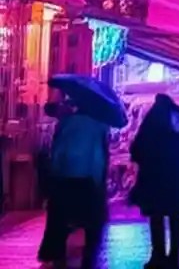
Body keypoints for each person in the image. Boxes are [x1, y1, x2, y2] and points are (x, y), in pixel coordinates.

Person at [38, 97, 110, 268]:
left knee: (60, 220)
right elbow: (101, 155)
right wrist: (100, 180)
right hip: (89, 179)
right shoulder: (100, 125)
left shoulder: (66, 123)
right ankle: (89, 258)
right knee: (92, 222)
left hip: (65, 178)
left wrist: (54, 175)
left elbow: (57, 151)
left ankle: (58, 257)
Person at [129, 94, 179, 269]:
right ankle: (174, 256)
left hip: (156, 178)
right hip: (178, 178)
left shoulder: (154, 119)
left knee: (157, 216)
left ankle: (158, 255)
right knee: (176, 216)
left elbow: (139, 146)